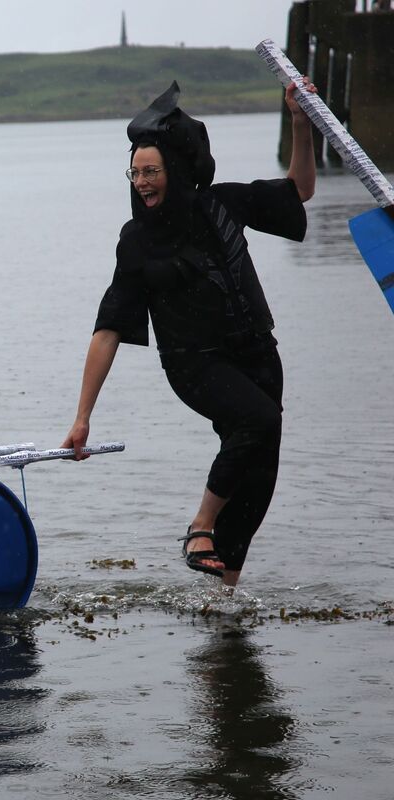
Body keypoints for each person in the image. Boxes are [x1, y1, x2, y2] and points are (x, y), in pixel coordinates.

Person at [62, 79, 317, 586]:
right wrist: (82, 416)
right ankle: (200, 526)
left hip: (259, 354)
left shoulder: (223, 204)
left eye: (151, 171)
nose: (141, 182)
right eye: (134, 173)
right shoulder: (137, 243)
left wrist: (300, 123)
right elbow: (108, 329)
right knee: (259, 422)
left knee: (258, 473)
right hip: (194, 364)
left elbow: (300, 190)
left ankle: (224, 598)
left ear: (175, 170)